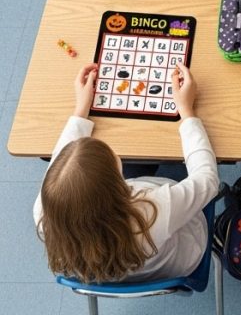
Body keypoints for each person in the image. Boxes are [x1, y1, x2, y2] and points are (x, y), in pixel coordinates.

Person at [35, 63, 219, 283]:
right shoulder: (153, 211)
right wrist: (187, 112)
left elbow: (62, 158)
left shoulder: (44, 214)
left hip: (112, 274)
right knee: (164, 156)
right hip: (182, 258)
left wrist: (81, 110)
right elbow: (208, 179)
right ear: (117, 184)